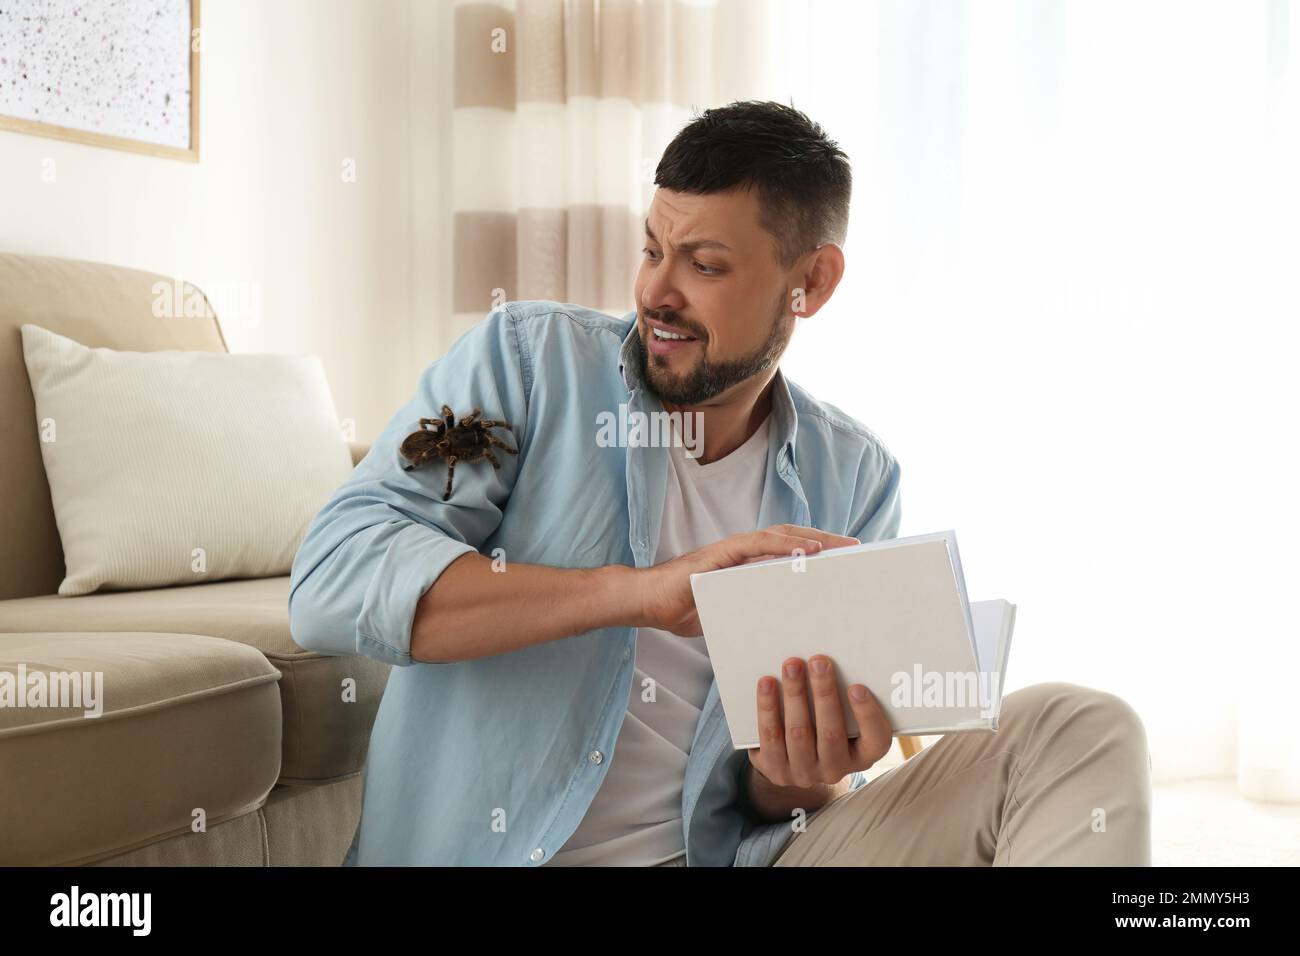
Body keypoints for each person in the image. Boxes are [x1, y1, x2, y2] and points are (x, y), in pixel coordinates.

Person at [288, 100, 1152, 867]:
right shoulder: (525, 365)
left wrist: (795, 776)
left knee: (1081, 729)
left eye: (704, 265)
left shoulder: (852, 474)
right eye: (652, 249)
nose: (655, 293)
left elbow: (778, 808)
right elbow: (336, 577)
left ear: (809, 283)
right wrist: (643, 594)